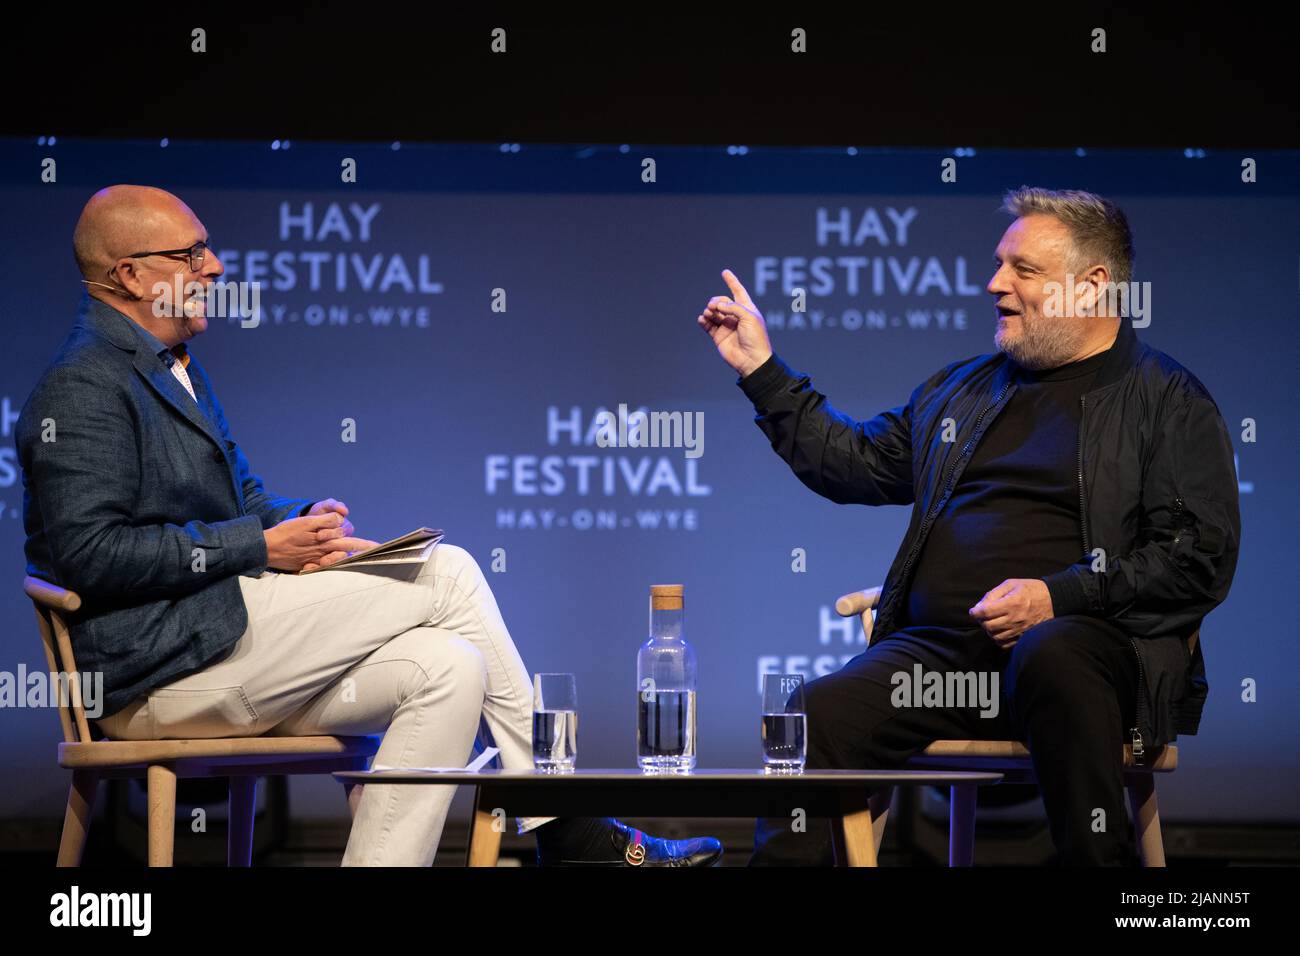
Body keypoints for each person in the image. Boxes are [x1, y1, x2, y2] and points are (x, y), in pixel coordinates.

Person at [19, 184, 722, 867]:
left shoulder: (176, 367)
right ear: (131, 275)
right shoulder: (83, 383)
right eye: (192, 253)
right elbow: (91, 555)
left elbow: (240, 496)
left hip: (218, 644)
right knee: (449, 572)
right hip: (158, 672)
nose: (216, 267)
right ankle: (566, 827)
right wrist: (259, 546)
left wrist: (300, 522)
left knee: (451, 667)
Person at [697, 186, 1240, 865]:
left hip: (1086, 667)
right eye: (998, 264)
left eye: (1023, 269)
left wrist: (1058, 596)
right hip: (946, 667)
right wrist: (761, 371)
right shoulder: (964, 392)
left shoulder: (1167, 401)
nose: (995, 284)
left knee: (1053, 654)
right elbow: (855, 464)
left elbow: (1195, 556)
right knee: (814, 715)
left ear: (1091, 284)